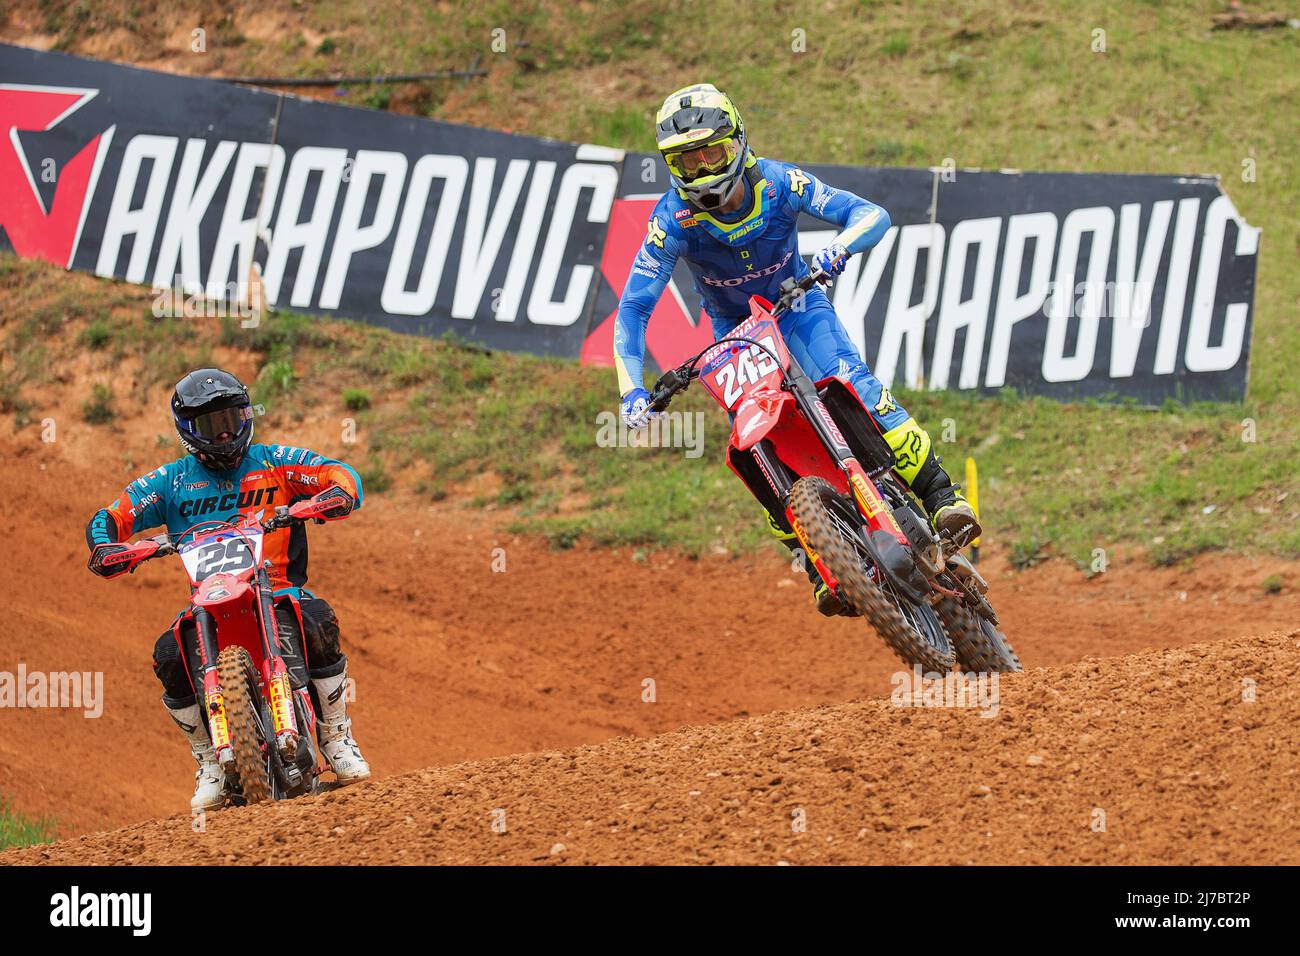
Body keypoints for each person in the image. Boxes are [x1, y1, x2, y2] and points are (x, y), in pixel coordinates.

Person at [615, 84, 979, 615]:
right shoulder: (671, 221)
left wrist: (837, 246)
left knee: (856, 385)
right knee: (752, 445)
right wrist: (631, 390)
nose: (700, 170)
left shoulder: (781, 182)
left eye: (710, 153)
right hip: (736, 334)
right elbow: (632, 312)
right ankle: (814, 558)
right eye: (685, 161)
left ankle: (943, 497)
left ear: (736, 141)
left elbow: (869, 214)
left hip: (798, 304)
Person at [85, 368, 371, 809]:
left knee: (318, 619)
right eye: (208, 426)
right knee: (167, 654)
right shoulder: (170, 482)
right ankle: (210, 760)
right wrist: (106, 547)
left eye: (230, 420)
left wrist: (332, 497)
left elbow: (336, 470)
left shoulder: (275, 461)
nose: (222, 435)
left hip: (275, 591)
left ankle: (335, 734)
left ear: (245, 417)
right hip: (210, 601)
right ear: (187, 432)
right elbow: (111, 516)